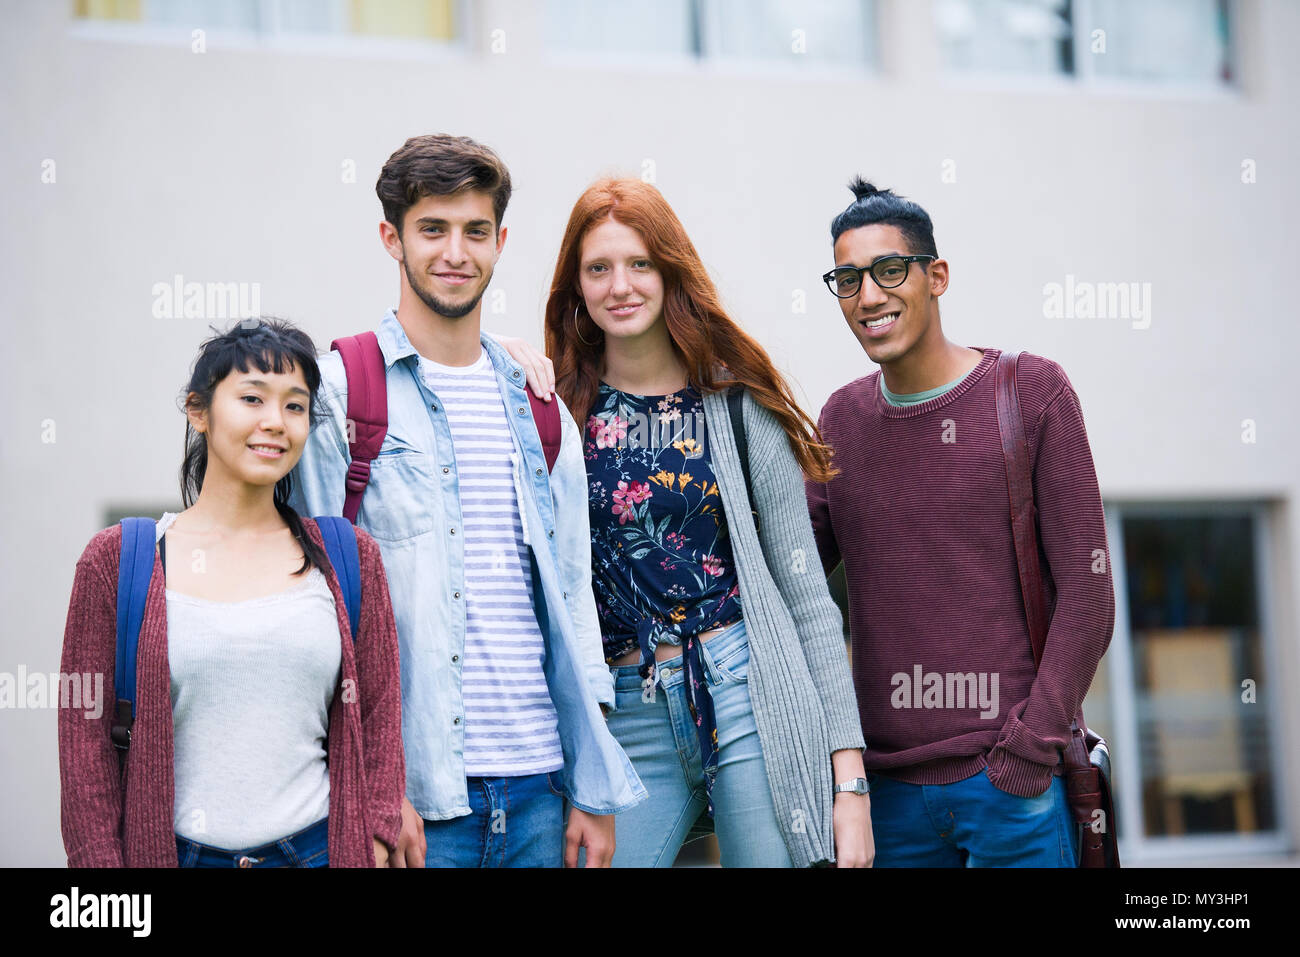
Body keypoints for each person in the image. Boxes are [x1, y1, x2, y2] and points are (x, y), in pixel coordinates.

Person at [289, 134, 645, 868]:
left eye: (475, 230)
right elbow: (317, 611)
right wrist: (374, 787)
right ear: (392, 238)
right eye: (432, 229)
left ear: (500, 241)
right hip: (416, 804)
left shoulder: (537, 405)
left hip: (543, 796)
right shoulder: (335, 395)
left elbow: (575, 598)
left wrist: (591, 787)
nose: (455, 251)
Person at [504, 177, 870, 867]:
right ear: (576, 287)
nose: (621, 284)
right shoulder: (557, 414)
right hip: (623, 712)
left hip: (746, 694)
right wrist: (500, 352)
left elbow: (809, 602)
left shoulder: (736, 406)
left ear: (670, 270)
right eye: (599, 268)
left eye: (640, 262)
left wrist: (849, 783)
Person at [804, 178, 1115, 867]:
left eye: (889, 270)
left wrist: (1031, 748)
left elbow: (1088, 596)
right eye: (847, 279)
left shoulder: (1031, 391)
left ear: (936, 275)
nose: (869, 296)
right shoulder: (842, 420)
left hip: (1009, 788)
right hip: (888, 798)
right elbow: (786, 573)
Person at [58, 319, 405, 867]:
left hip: (319, 852)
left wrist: (378, 842)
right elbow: (86, 754)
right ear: (198, 411)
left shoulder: (349, 556)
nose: (276, 423)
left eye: (295, 406)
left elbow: (380, 718)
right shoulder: (117, 561)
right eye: (251, 398)